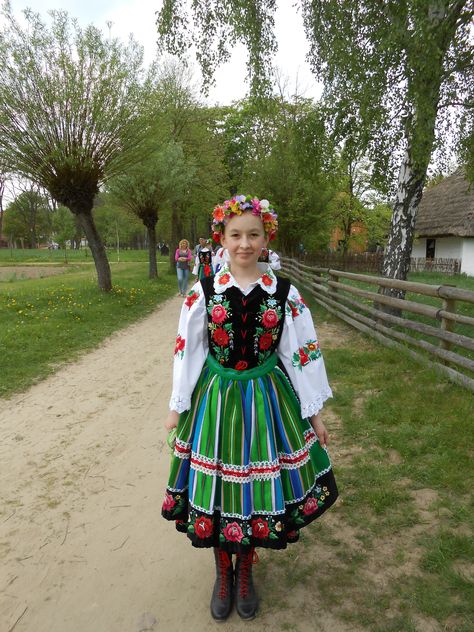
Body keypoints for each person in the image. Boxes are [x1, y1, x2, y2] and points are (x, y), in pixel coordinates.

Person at [162, 194, 337, 622]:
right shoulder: (204, 292)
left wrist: (313, 414)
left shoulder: (283, 293)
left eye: (253, 234)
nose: (244, 243)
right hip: (218, 403)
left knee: (258, 487)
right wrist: (178, 407)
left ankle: (247, 570)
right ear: (221, 237)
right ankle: (223, 570)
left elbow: (302, 354)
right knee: (221, 488)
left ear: (266, 238)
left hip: (266, 401)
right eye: (235, 234)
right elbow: (189, 352)